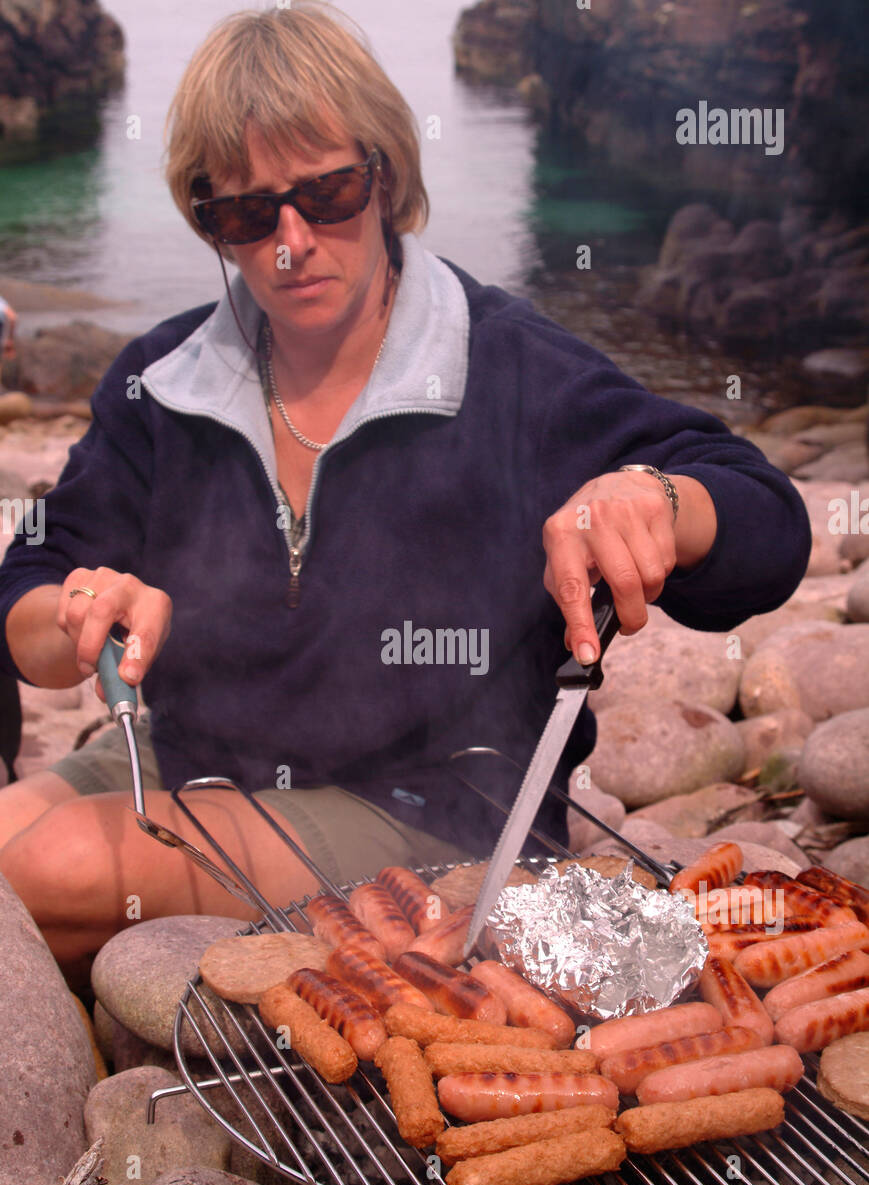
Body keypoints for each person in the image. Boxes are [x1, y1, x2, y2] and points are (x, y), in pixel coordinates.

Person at [0, 3, 811, 985]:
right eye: (248, 213)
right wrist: (77, 613)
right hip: (195, 758)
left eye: (327, 192)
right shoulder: (159, 380)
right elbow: (35, 583)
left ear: (383, 176)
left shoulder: (512, 370)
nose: (291, 242)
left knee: (50, 863)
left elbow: (766, 523)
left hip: (432, 812)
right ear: (206, 217)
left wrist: (651, 498)